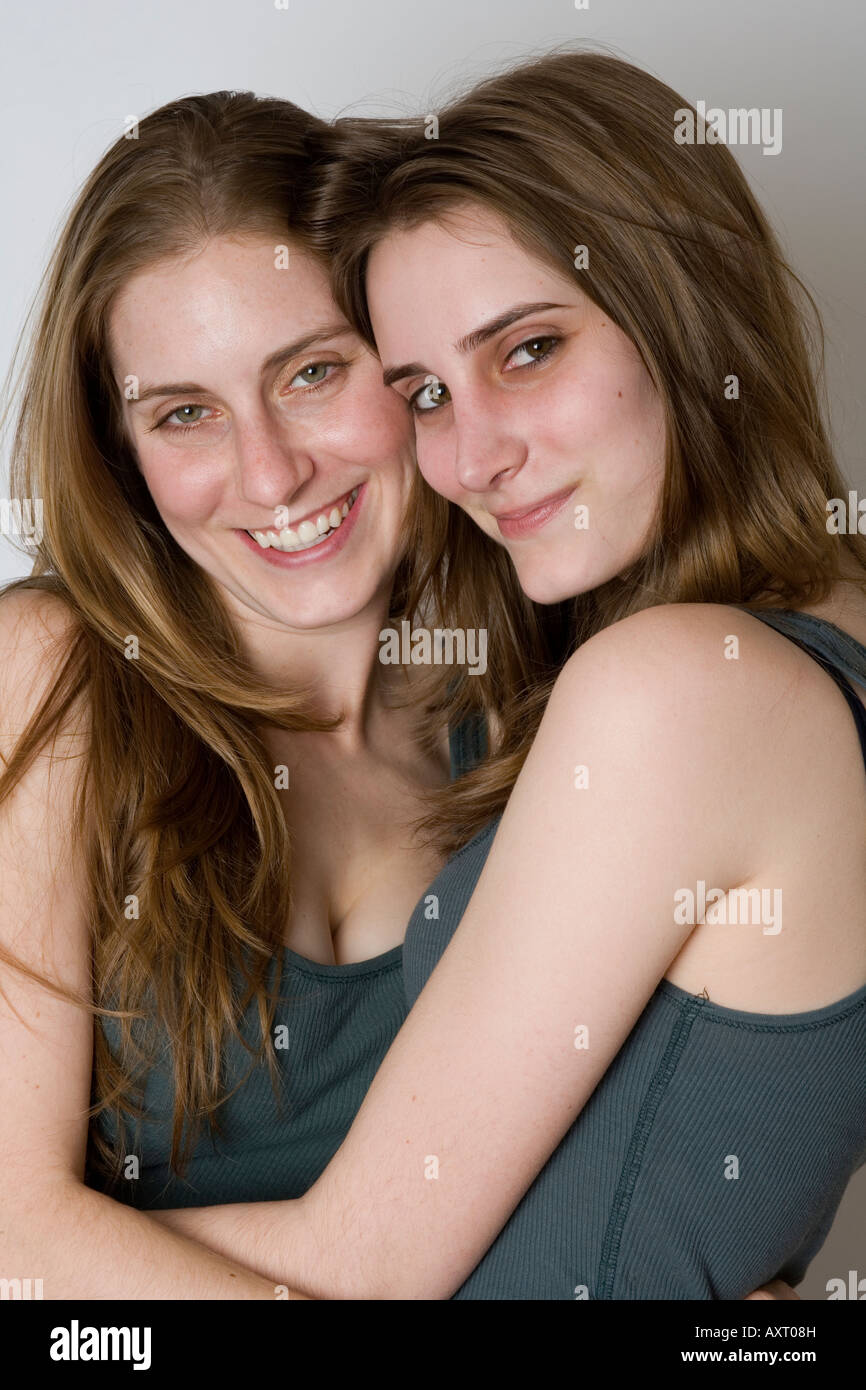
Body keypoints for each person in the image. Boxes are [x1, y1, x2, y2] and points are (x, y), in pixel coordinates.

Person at [149, 51, 866, 1299]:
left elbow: (360, 1272)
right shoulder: (804, 634)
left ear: (683, 309)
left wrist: (36, 1247)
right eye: (423, 391)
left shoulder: (678, 686)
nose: (468, 455)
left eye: (526, 350)